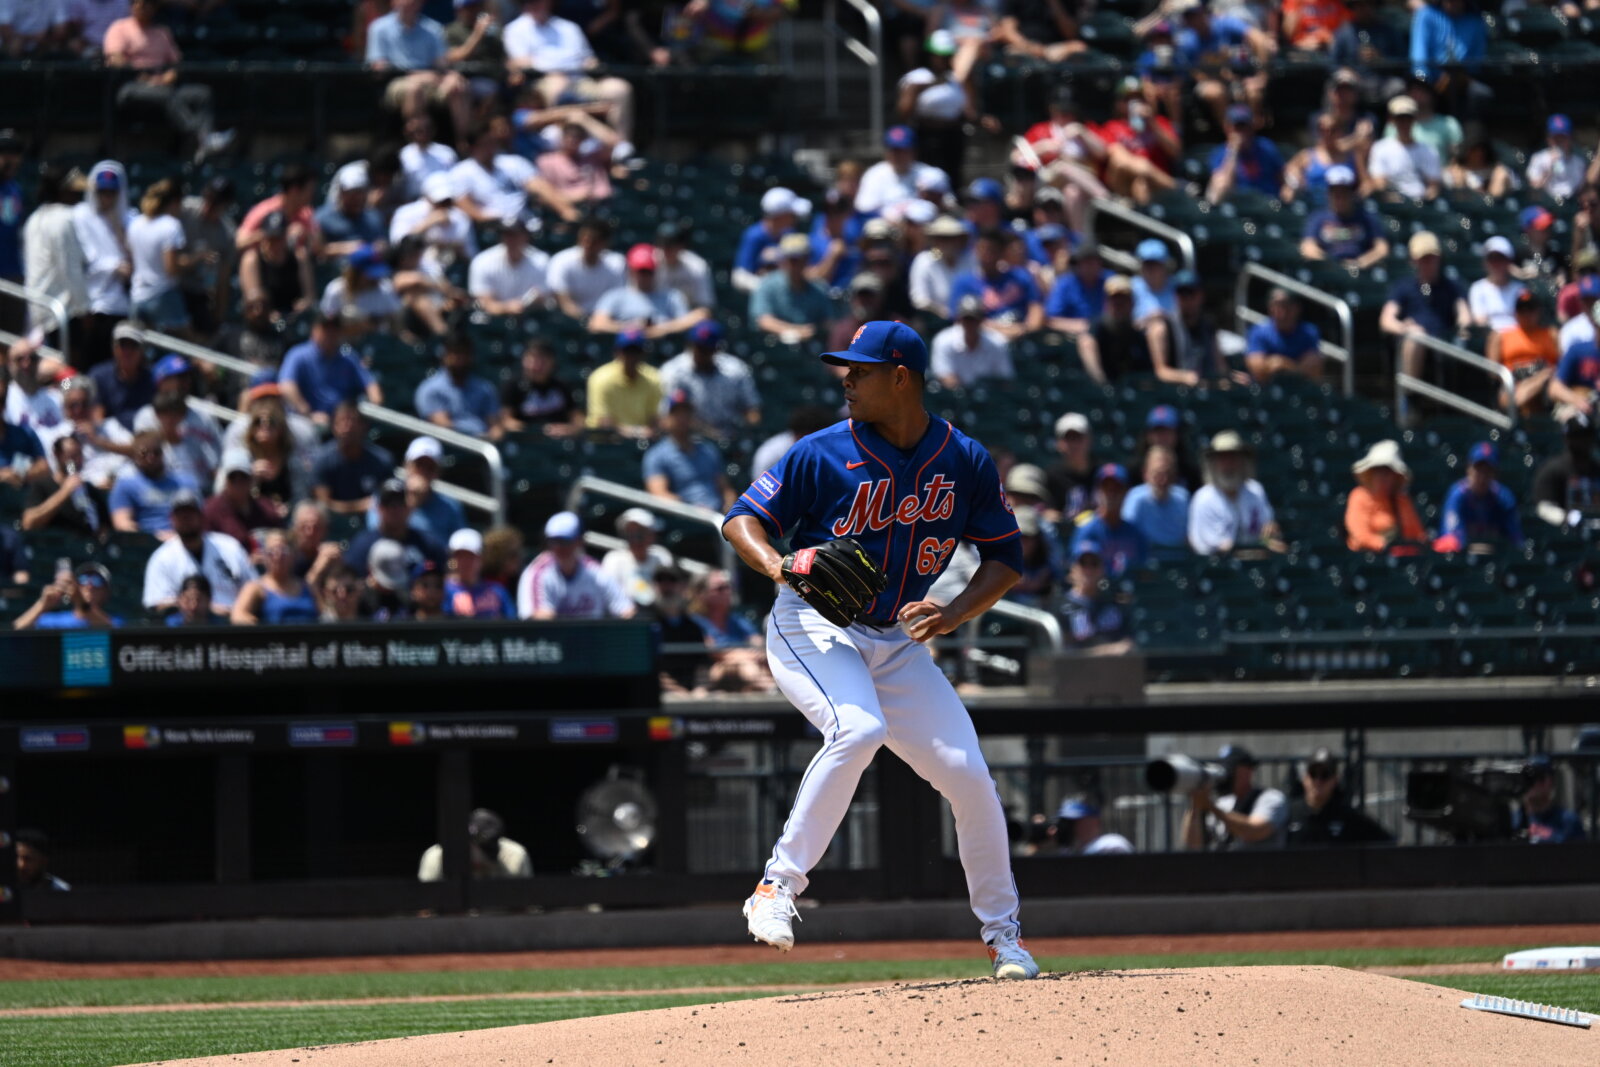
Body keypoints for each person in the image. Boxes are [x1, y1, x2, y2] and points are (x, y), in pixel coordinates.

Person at [721, 320, 1038, 979]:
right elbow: (740, 520)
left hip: (894, 638)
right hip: (811, 623)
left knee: (971, 778)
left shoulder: (964, 459)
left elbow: (1008, 557)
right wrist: (780, 566)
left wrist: (954, 613)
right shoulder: (822, 451)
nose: (847, 379)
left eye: (861, 370)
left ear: (901, 378)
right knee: (858, 728)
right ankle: (776, 886)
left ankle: (1004, 936)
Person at [103, 0, 232, 163]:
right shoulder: (119, 28)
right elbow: (117, 61)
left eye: (149, 4)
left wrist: (171, 75)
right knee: (166, 93)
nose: (144, 8)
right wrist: (145, 77)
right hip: (130, 87)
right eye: (140, 4)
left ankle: (204, 141)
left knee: (202, 94)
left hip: (162, 85)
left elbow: (176, 63)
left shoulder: (162, 32)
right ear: (132, 6)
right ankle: (200, 136)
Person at [503, 0, 634, 142]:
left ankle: (622, 147)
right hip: (542, 83)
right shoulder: (514, 29)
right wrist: (562, 65)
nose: (537, 5)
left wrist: (595, 68)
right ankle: (555, 142)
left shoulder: (569, 27)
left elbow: (589, 60)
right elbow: (523, 62)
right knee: (557, 83)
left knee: (619, 88)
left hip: (581, 80)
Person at [1382, 231, 1469, 421]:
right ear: (1413, 261)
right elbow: (1386, 320)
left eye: (1432, 258)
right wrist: (1405, 328)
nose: (1428, 263)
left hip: (1442, 340)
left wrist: (1463, 330)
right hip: (1414, 341)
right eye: (1423, 259)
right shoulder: (1403, 286)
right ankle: (1410, 398)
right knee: (1416, 338)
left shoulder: (1451, 286)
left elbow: (1464, 315)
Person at [366, 0, 471, 146]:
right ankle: (416, 146)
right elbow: (378, 68)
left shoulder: (433, 28)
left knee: (458, 85)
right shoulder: (379, 28)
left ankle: (465, 145)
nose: (410, 4)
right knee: (414, 88)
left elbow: (441, 64)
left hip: (431, 80)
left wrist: (450, 75)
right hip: (397, 81)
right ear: (394, 2)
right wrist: (413, 74)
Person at [141, 490, 254, 612]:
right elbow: (157, 603)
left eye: (190, 513)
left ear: (202, 516)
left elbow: (254, 586)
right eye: (180, 514)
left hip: (232, 624)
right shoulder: (161, 558)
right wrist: (204, 608)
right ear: (172, 519)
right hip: (185, 628)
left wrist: (239, 611)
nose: (186, 519)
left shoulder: (230, 547)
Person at [22, 165, 89, 359]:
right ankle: (66, 389)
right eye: (73, 190)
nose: (77, 195)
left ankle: (61, 389)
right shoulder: (63, 219)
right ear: (62, 190)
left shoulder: (33, 218)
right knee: (67, 368)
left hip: (38, 309)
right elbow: (70, 269)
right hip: (62, 312)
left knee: (49, 366)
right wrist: (84, 309)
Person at [517, 510, 632, 619]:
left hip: (594, 638)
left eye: (565, 541)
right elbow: (536, 617)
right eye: (554, 541)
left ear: (579, 542)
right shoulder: (538, 572)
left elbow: (626, 610)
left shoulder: (595, 571)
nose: (558, 547)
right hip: (554, 639)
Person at [657, 321, 761, 439]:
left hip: (732, 438)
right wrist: (709, 433)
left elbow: (752, 411)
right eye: (699, 347)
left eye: (707, 348)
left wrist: (747, 430)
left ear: (716, 349)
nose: (702, 353)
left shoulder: (735, 369)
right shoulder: (673, 371)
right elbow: (667, 418)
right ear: (690, 345)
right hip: (692, 438)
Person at [73, 160, 132, 368]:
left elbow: (133, 259)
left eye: (112, 193)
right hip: (90, 307)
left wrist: (118, 227)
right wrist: (114, 266)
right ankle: (68, 394)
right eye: (102, 192)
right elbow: (85, 258)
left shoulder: (128, 218)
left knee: (111, 365)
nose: (107, 197)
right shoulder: (80, 215)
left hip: (120, 308)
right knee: (79, 364)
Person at [1188, 430, 1284, 555]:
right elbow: (1219, 549)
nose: (1228, 465)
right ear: (1213, 464)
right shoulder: (1203, 499)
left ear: (1242, 461)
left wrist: (1270, 536)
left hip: (1256, 564)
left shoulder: (1255, 491)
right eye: (1222, 458)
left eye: (1233, 457)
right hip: (1217, 569)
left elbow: (1265, 532)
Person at [278, 314, 384, 426]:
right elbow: (286, 387)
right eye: (325, 329)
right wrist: (308, 414)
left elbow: (371, 385)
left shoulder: (348, 358)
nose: (330, 334)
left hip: (341, 424)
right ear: (314, 330)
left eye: (334, 330)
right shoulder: (298, 354)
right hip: (306, 421)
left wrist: (375, 404)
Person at [590, 242, 706, 339]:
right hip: (629, 351)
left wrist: (661, 329)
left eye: (648, 272)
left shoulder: (671, 296)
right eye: (640, 271)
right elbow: (596, 324)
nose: (644, 276)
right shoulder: (615, 296)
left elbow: (694, 318)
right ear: (631, 271)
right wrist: (631, 329)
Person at [1182, 745, 1289, 851]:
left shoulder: (1270, 798)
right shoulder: (1222, 803)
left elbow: (1255, 831)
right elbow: (1193, 844)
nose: (1226, 775)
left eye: (1230, 769)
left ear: (1248, 770)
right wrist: (1195, 806)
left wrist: (1211, 807)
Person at [642, 393, 735, 511]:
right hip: (686, 519)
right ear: (665, 419)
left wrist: (729, 507)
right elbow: (659, 495)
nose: (682, 418)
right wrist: (692, 509)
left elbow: (726, 489)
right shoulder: (656, 455)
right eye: (676, 414)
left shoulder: (708, 450)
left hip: (718, 516)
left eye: (686, 413)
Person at [947, 228, 1043, 341]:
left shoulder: (1021, 277)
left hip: (1023, 341)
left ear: (1002, 252)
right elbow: (961, 321)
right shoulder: (963, 283)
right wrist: (1007, 331)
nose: (986, 255)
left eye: (991, 250)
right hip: (984, 343)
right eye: (982, 249)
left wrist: (1024, 330)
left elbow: (1036, 311)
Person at [1285, 748, 1393, 846]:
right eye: (1313, 774)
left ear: (1335, 780)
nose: (1318, 781)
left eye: (1325, 775)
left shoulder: (1348, 816)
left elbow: (1388, 841)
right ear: (1305, 779)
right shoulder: (1289, 813)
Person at [347, 478, 449, 578]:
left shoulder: (427, 543)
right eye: (388, 504)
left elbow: (447, 574)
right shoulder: (363, 545)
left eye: (401, 504)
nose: (395, 509)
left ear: (410, 508)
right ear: (378, 508)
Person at [1435, 441, 1522, 554]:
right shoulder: (1458, 495)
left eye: (1488, 471)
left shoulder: (1503, 498)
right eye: (1479, 469)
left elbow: (1517, 540)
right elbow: (1451, 538)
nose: (1482, 476)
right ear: (1468, 469)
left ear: (1495, 473)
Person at [110, 429, 197, 538]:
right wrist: (154, 537)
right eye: (144, 453)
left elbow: (200, 518)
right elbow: (122, 524)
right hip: (147, 544)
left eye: (156, 452)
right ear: (134, 455)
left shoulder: (186, 482)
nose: (151, 457)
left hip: (185, 539)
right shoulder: (125, 485)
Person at [312, 401, 395, 515]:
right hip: (334, 525)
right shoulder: (322, 459)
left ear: (364, 426)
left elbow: (387, 500)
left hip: (371, 522)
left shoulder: (382, 460)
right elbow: (323, 504)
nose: (347, 427)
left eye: (352, 421)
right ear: (333, 426)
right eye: (341, 421)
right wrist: (360, 506)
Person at [414, 333, 504, 438]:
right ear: (445, 356)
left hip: (483, 446)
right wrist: (476, 436)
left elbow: (495, 424)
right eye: (455, 352)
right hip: (450, 446)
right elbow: (443, 426)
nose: (459, 358)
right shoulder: (430, 389)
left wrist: (494, 435)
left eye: (464, 353)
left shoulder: (484, 388)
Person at [751, 234, 835, 343]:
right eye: (792, 260)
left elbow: (828, 322)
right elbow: (763, 321)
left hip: (810, 346)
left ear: (807, 260)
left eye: (801, 259)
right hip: (773, 345)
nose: (796, 265)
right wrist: (796, 331)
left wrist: (817, 330)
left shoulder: (819, 289)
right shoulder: (767, 285)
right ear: (783, 261)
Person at [1299, 165, 1387, 270]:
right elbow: (1307, 247)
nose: (1340, 196)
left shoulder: (1367, 218)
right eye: (1335, 191)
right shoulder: (1317, 217)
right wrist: (1332, 264)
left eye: (1344, 191)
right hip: (1328, 270)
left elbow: (1382, 249)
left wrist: (1360, 263)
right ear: (1328, 193)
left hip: (1359, 271)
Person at [1068, 464, 1148, 578]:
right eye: (1106, 488)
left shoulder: (1136, 533)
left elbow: (1144, 572)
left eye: (1116, 489)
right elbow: (1076, 571)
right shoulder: (1086, 530)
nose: (1111, 494)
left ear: (1126, 492)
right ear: (1098, 492)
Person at [1346, 439, 1426, 553]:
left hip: (1403, 561)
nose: (1383, 477)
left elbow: (1417, 535)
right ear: (1371, 473)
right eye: (1378, 471)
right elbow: (1360, 536)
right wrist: (1385, 545)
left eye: (1388, 471)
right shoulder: (1359, 496)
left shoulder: (1402, 501)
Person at [855, 125, 949, 221]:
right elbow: (864, 208)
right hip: (886, 227)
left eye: (902, 150)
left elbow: (948, 204)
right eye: (893, 150)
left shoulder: (929, 173)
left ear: (913, 151)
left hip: (924, 226)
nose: (897, 155)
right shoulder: (874, 174)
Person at [22, 434, 106, 537]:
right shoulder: (42, 485)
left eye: (79, 455)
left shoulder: (89, 489)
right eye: (71, 456)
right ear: (57, 455)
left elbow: (103, 526)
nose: (76, 461)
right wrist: (65, 492)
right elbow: (29, 522)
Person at [417, 807, 533, 881]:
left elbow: (526, 907)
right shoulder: (436, 857)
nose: (482, 855)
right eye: (479, 846)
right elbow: (424, 910)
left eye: (488, 847)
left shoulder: (515, 856)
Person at [231, 529, 319, 625]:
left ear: (293, 554)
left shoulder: (308, 587)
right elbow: (238, 615)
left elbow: (325, 616)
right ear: (264, 556)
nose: (277, 556)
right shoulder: (256, 588)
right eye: (271, 552)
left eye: (283, 551)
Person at [1057, 540, 1130, 653]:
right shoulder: (1060, 607)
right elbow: (1063, 652)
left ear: (1103, 569)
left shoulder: (1113, 604)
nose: (1089, 570)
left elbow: (1129, 641)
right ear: (1072, 569)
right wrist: (1106, 651)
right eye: (1083, 564)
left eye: (1094, 564)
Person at [586, 329, 661, 438]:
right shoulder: (601, 378)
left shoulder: (653, 378)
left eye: (635, 351)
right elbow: (604, 422)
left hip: (643, 443)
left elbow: (655, 419)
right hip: (606, 442)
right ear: (617, 353)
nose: (631, 357)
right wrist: (637, 432)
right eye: (627, 351)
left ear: (643, 354)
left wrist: (640, 433)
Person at [1075, 276, 1150, 384]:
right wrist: (1102, 383)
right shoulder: (1099, 326)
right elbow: (1086, 343)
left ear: (1132, 303)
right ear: (1107, 303)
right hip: (1102, 388)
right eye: (1115, 300)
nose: (1119, 305)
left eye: (1123, 300)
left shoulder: (1136, 333)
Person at [546, 216, 625, 318]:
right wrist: (585, 321)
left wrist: (600, 320)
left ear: (604, 243)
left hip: (603, 318)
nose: (587, 245)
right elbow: (564, 302)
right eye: (583, 239)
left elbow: (615, 300)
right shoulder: (561, 261)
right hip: (569, 320)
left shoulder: (617, 264)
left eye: (593, 241)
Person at [1205, 104, 1285, 205]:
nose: (1242, 132)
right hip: (1240, 206)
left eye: (1245, 126)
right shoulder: (1220, 153)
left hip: (1269, 203)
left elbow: (1282, 179)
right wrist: (1234, 151)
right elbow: (1221, 190)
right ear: (1227, 128)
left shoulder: (1266, 147)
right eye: (1237, 127)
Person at [1121, 445, 1190, 562]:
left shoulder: (1183, 499)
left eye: (1167, 474)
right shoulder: (1136, 500)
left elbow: (1188, 539)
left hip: (1178, 568)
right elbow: (1127, 540)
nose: (1163, 480)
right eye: (1157, 474)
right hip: (1146, 568)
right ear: (1145, 474)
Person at [468, 216, 549, 315]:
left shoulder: (541, 261)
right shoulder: (483, 261)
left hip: (530, 313)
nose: (511, 239)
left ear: (525, 236)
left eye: (515, 235)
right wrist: (507, 307)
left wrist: (524, 303)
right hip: (494, 316)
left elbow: (543, 295)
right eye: (507, 235)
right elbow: (485, 301)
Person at [930, 294, 1014, 389]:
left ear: (981, 320)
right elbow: (945, 377)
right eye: (966, 319)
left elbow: (1004, 379)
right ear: (959, 319)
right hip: (956, 397)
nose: (970, 324)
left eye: (974, 319)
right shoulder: (943, 340)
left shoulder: (997, 343)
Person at [202, 452, 283, 550]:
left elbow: (280, 540)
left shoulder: (267, 508)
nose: (238, 482)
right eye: (233, 478)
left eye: (243, 477)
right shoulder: (210, 511)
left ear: (251, 479)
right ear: (225, 480)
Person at [500, 341, 582, 437]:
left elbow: (578, 419)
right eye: (532, 360)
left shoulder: (562, 386)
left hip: (558, 442)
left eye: (542, 361)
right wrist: (535, 430)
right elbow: (505, 420)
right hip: (525, 442)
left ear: (552, 362)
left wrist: (569, 429)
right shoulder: (513, 386)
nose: (536, 366)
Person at [650, 565, 710, 695]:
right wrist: (680, 692)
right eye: (660, 580)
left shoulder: (693, 627)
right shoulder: (645, 624)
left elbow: (702, 664)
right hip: (657, 698)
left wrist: (701, 688)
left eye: (671, 580)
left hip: (691, 695)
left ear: (683, 587)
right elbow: (650, 669)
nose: (666, 586)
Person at [1533, 413, 1600, 528]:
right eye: (1577, 436)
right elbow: (1543, 507)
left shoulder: (1597, 470)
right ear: (1567, 438)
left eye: (1587, 435)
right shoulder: (1553, 469)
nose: (1583, 441)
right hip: (1563, 535)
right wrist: (1567, 518)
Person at [1368, 96, 1441, 201]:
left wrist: (1426, 199)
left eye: (1408, 118)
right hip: (1392, 205)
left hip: (1421, 205)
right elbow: (1379, 182)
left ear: (1414, 119)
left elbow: (1434, 185)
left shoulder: (1429, 151)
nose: (1404, 123)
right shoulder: (1380, 148)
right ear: (1392, 120)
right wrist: (1393, 198)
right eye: (1400, 119)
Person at [1245, 288, 1323, 382]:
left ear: (1297, 308)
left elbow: (1313, 369)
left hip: (1299, 388)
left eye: (1287, 306)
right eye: (1277, 305)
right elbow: (1257, 370)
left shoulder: (1309, 332)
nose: (1282, 312)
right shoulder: (1259, 331)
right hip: (1267, 390)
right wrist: (1297, 367)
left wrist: (1282, 364)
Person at [12, 561, 118, 630]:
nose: (89, 586)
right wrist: (42, 605)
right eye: (83, 580)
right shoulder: (55, 620)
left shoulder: (115, 620)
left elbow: (112, 633)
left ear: (106, 592)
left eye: (96, 581)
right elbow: (15, 632)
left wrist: (80, 600)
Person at [90, 323, 155, 431]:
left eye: (133, 345)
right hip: (109, 440)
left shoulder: (153, 377)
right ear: (114, 348)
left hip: (146, 437)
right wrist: (64, 377)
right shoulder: (98, 375)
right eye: (123, 345)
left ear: (142, 350)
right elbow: (70, 387)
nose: (127, 352)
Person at [1512, 757, 1587, 844]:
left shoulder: (1568, 822)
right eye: (1527, 778)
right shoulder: (1513, 821)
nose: (1533, 784)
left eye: (1539, 778)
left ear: (1550, 782)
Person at [443, 527, 515, 618]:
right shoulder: (443, 591)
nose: (465, 562)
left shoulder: (497, 590)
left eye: (471, 556)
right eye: (460, 556)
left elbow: (511, 622)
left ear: (481, 558)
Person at [1468, 236, 1526, 334]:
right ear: (1485, 263)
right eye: (1492, 259)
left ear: (1509, 262)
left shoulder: (1520, 290)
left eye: (1501, 259)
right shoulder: (1477, 288)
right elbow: (1480, 321)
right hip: (1489, 340)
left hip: (1517, 340)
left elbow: (1526, 320)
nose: (1496, 264)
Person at [1045, 411, 1094, 522]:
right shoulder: (1052, 476)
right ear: (1059, 443)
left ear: (1089, 440)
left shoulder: (1103, 473)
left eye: (1078, 437)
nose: (1074, 445)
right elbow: (1048, 511)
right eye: (1068, 439)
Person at [1527, 114, 1585, 201]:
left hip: (1571, 203)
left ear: (1570, 138)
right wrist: (1550, 168)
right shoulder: (1538, 158)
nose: (1559, 142)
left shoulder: (1578, 162)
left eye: (1562, 138)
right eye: (1555, 138)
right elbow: (1534, 188)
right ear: (1548, 138)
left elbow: (1581, 189)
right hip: (1547, 202)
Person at [1056, 797, 1133, 855]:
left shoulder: (1110, 844)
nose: (1072, 827)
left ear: (1094, 821)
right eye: (1067, 823)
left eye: (1076, 821)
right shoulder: (1069, 850)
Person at [13, 829, 70, 893]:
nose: (21, 865)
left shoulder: (61, 891)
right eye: (15, 857)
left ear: (43, 861)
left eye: (28, 859)